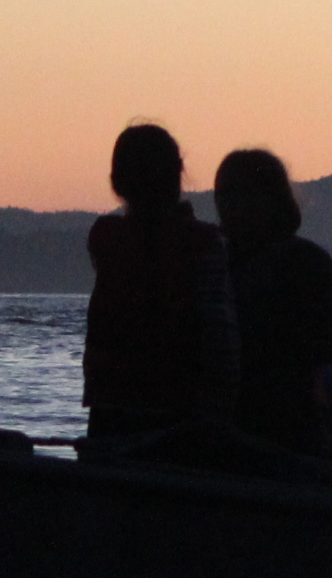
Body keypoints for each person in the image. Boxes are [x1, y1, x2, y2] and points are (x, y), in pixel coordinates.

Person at [82, 123, 240, 452]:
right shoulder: (204, 244)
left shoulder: (105, 237)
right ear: (178, 175)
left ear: (115, 182)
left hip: (111, 412)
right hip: (181, 419)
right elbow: (219, 339)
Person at [214, 146, 332, 470]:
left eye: (238, 195)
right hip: (253, 431)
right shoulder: (215, 262)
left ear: (269, 200)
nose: (226, 205)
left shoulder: (301, 261)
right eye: (223, 195)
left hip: (288, 429)